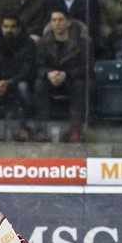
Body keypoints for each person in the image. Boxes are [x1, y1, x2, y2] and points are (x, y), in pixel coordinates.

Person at [34, 9, 89, 143]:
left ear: (68, 23)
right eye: (54, 20)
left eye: (60, 20)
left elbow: (86, 67)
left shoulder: (82, 43)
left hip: (71, 79)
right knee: (39, 84)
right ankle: (41, 129)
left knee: (80, 85)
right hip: (51, 80)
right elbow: (38, 65)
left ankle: (75, 129)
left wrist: (66, 74)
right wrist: (48, 73)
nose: (57, 23)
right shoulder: (43, 42)